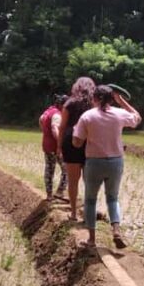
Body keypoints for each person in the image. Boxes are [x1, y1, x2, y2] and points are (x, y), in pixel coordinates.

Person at [72, 84, 141, 249]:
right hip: (115, 162)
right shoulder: (119, 114)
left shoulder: (87, 116)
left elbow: (76, 142)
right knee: (113, 198)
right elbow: (136, 118)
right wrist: (121, 100)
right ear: (112, 99)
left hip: (94, 162)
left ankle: (92, 240)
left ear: (94, 98)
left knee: (90, 200)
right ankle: (116, 230)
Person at [57, 77, 95, 221]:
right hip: (89, 142)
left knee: (73, 181)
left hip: (71, 142)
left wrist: (59, 146)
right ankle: (87, 213)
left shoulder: (70, 103)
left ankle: (73, 213)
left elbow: (62, 127)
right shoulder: (93, 104)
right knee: (89, 181)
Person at [39, 94, 68, 201]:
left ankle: (49, 195)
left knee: (49, 170)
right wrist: (60, 144)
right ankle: (60, 191)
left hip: (46, 145)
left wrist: (45, 133)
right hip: (55, 147)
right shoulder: (57, 115)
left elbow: (41, 120)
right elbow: (54, 128)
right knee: (67, 169)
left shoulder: (48, 111)